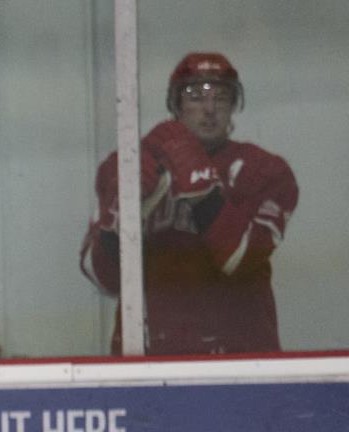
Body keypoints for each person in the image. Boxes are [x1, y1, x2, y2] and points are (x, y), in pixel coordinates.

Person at [79, 52, 299, 356]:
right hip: (147, 357)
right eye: (195, 96)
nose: (209, 109)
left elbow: (242, 261)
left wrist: (203, 191)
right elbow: (102, 278)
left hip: (241, 361)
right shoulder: (126, 165)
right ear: (176, 105)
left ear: (234, 105)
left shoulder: (265, 170)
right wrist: (119, 218)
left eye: (221, 97)